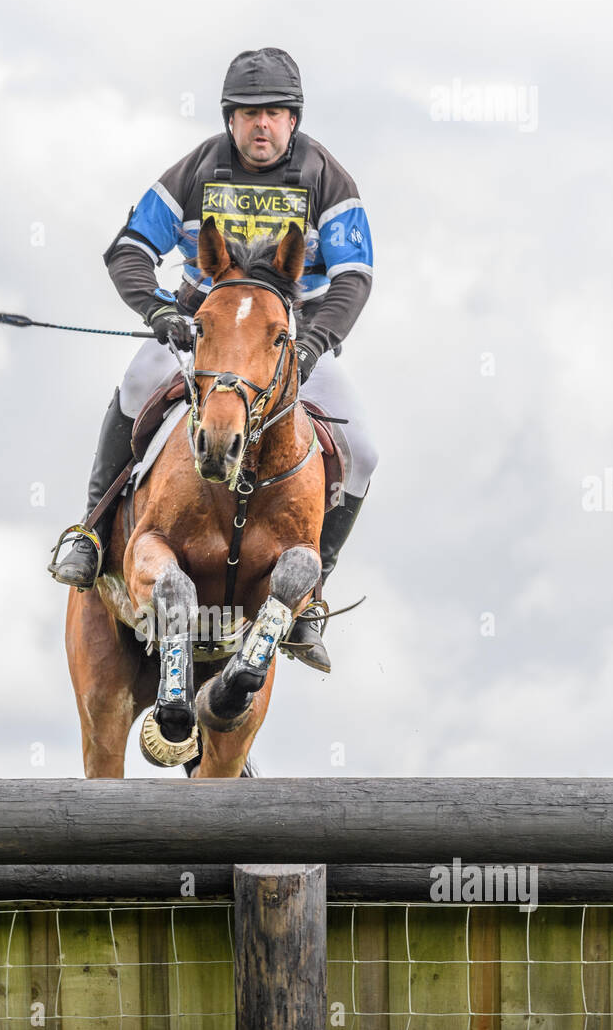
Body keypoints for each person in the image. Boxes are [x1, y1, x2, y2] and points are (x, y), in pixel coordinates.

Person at [50, 47, 377, 672]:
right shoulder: (197, 169)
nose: (263, 125)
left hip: (289, 341)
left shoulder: (327, 179)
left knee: (364, 450)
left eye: (276, 113)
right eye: (250, 113)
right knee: (134, 382)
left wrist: (313, 340)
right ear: (230, 119)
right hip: (204, 331)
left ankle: (309, 597)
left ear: (294, 119)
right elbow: (127, 250)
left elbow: (354, 277)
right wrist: (158, 312)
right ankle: (91, 532)